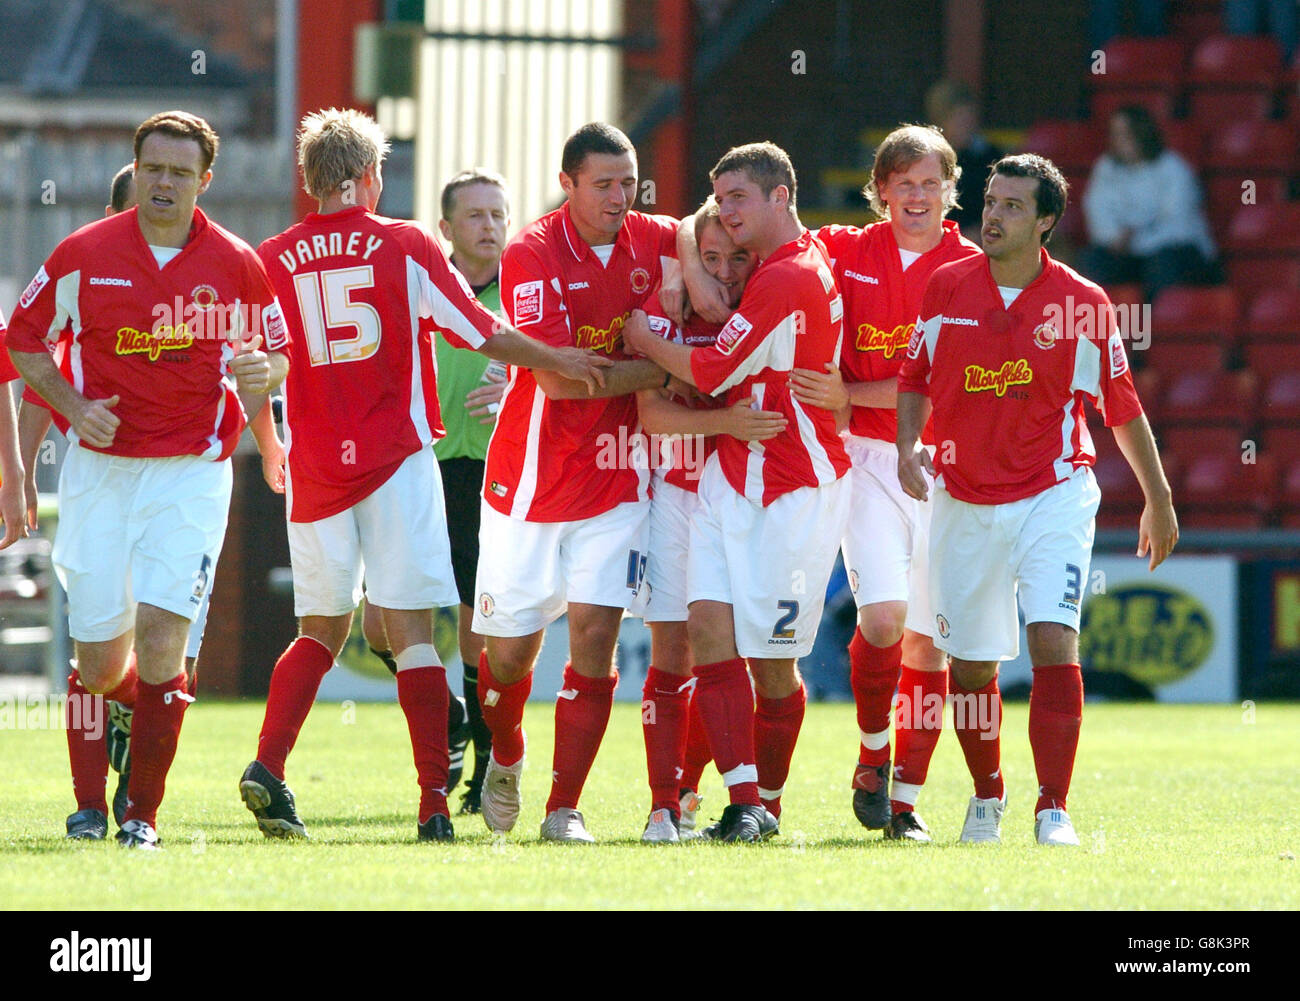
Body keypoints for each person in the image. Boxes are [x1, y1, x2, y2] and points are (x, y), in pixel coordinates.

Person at [240, 108, 610, 844]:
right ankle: (433, 804)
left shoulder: (273, 256)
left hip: (314, 463)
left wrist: (270, 442)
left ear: (311, 180)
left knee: (319, 629)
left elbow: (259, 368)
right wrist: (559, 357)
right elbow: (481, 329)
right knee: (413, 635)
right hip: (396, 462)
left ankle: (269, 763)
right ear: (370, 177)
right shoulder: (404, 241)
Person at [7, 110, 290, 850]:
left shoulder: (236, 262)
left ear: (205, 179)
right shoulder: (82, 254)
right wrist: (72, 406)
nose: (164, 182)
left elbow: (276, 352)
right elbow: (22, 340)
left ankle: (140, 815)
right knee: (100, 667)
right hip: (100, 475)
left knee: (165, 641)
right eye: (153, 168)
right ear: (136, 172)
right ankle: (86, 799)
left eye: (179, 170)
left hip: (191, 475)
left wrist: (265, 376)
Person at [897, 154, 1178, 845]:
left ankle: (1053, 806)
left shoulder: (1084, 304)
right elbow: (914, 378)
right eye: (991, 201)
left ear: (1046, 221)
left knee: (1053, 638)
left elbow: (1121, 404)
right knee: (971, 665)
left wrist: (1159, 496)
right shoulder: (945, 287)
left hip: (1055, 492)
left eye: (1013, 206)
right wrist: (907, 445)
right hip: (962, 497)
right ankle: (987, 794)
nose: (992, 215)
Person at [623, 141, 852, 843]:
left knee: (774, 665)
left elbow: (717, 369)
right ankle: (743, 799)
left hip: (794, 488)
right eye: (719, 198)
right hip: (731, 474)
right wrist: (692, 257)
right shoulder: (777, 265)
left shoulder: (788, 276)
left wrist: (642, 338)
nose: (727, 210)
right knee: (709, 637)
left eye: (739, 197)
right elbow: (691, 230)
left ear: (781, 195)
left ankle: (770, 800)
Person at [473, 122, 678, 843]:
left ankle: (565, 807)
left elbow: (722, 255)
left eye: (628, 182)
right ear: (568, 184)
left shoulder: (659, 239)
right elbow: (561, 381)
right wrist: (661, 368)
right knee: (509, 658)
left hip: (619, 477)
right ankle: (506, 750)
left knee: (594, 635)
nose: (620, 197)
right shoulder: (531, 251)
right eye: (603, 184)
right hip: (530, 481)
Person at [794, 125, 983, 841]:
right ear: (880, 193)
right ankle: (874, 754)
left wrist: (850, 391)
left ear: (948, 190)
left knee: (930, 643)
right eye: (902, 183)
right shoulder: (842, 251)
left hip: (946, 463)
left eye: (929, 183)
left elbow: (952, 388)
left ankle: (905, 801)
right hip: (868, 462)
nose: (916, 195)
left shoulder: (971, 267)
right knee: (881, 622)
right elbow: (746, 235)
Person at [353, 168, 514, 810]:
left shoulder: (525, 293)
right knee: (375, 629)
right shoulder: (417, 280)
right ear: (444, 228)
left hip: (490, 475)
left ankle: (482, 767)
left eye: (499, 214)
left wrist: (518, 385)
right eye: (475, 215)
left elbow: (562, 368)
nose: (490, 226)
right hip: (415, 469)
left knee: (481, 632)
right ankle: (445, 716)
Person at [635, 196, 785, 841]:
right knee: (674, 648)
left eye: (736, 259)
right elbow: (653, 416)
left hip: (749, 497)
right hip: (675, 493)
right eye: (711, 257)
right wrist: (724, 419)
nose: (725, 271)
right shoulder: (661, 313)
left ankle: (743, 800)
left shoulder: (769, 306)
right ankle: (664, 804)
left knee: (750, 657)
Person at [1080, 105, 1218, 302]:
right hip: (1126, 252)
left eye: (1126, 134)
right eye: (1116, 134)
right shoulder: (1105, 168)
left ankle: (1160, 327)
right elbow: (1097, 210)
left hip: (1174, 252)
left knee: (1162, 265)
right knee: (1093, 260)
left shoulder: (1173, 168)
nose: (1120, 141)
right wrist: (1114, 238)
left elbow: (1178, 224)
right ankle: (1095, 327)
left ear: (1142, 134)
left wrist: (1135, 239)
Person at [923, 82, 1003, 242]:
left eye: (969, 119)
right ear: (940, 121)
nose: (966, 126)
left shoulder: (992, 158)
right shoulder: (926, 159)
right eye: (958, 119)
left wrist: (981, 230)